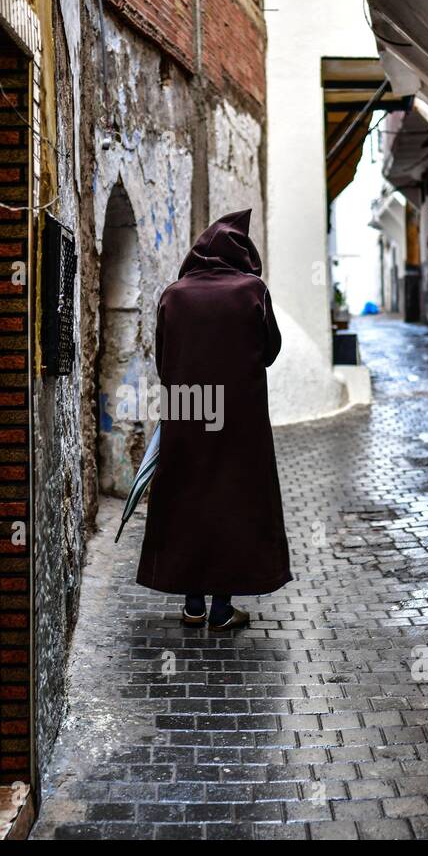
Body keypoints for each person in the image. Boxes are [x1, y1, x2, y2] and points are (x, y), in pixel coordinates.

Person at [136, 209, 292, 632]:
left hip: (187, 411)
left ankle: (191, 605)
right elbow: (271, 350)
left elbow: (163, 356)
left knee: (187, 497)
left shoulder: (173, 294)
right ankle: (222, 607)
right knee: (231, 501)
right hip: (239, 420)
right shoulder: (252, 292)